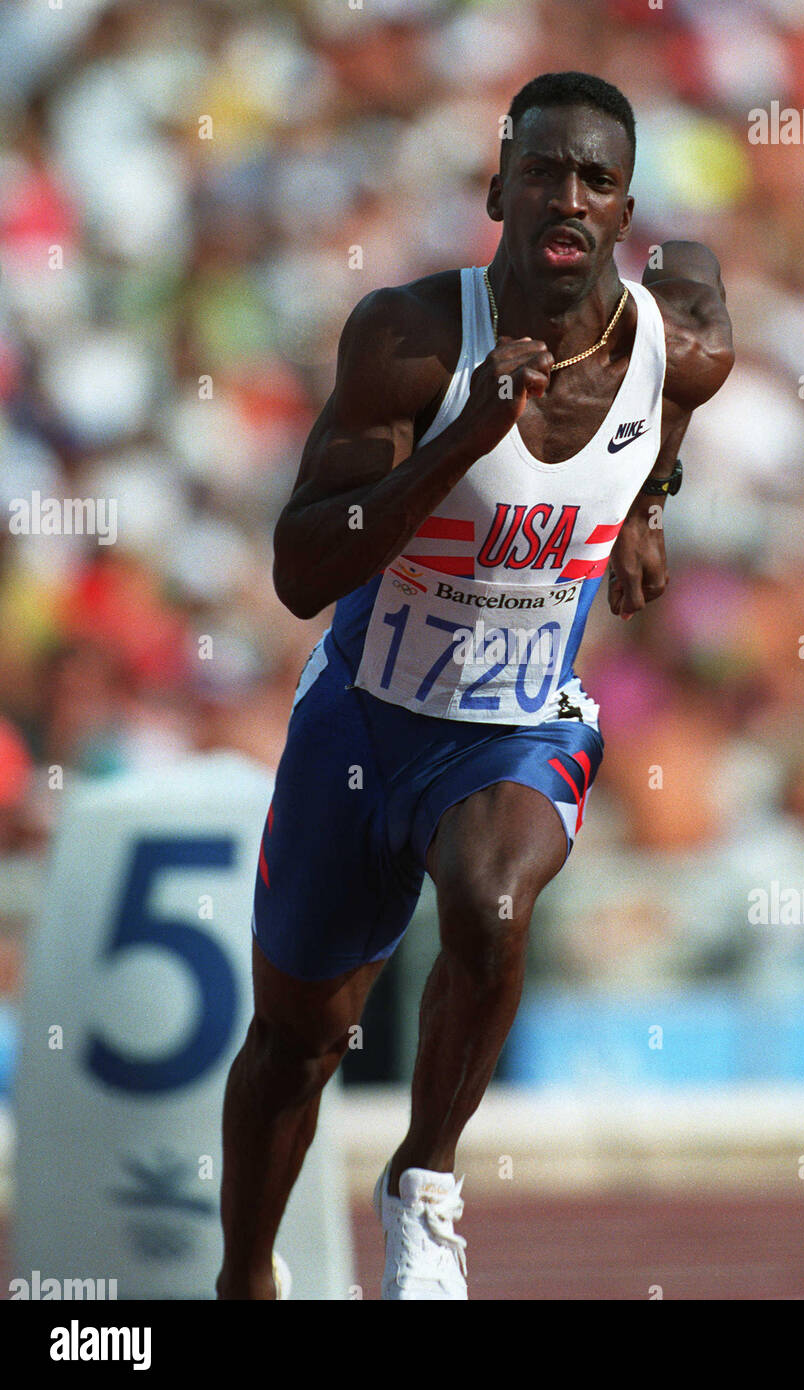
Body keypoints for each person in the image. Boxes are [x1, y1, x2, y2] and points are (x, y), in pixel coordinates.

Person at [215, 70, 734, 1301]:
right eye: (544, 170)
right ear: (497, 187)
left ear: (624, 210)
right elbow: (300, 570)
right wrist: (463, 437)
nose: (568, 197)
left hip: (508, 728)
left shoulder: (683, 350)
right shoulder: (409, 339)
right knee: (298, 1043)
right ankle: (246, 1276)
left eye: (598, 180)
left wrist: (653, 499)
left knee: (496, 908)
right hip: (364, 721)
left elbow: (702, 273)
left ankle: (426, 1186)